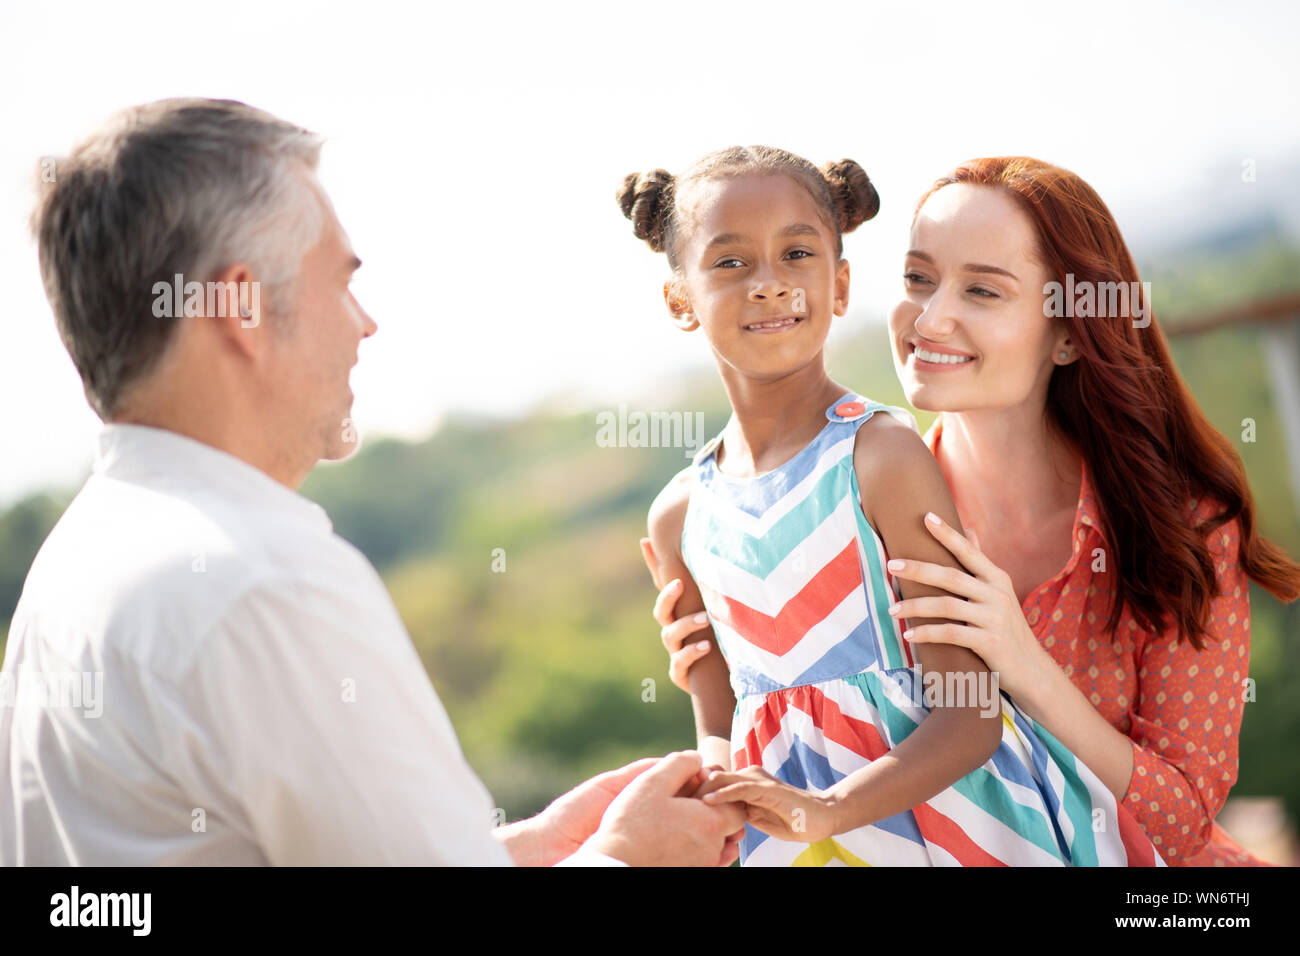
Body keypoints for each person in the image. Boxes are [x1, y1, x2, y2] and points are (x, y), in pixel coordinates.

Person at [0, 98, 746, 867]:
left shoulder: (69, 571)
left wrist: (526, 850)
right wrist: (629, 858)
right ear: (241, 308)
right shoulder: (264, 584)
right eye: (339, 281)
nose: (365, 323)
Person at [646, 155, 1300, 866]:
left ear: (1071, 331)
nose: (932, 317)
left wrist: (1024, 665)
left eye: (983, 291)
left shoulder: (1183, 529)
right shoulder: (855, 500)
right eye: (918, 279)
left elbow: (1178, 827)